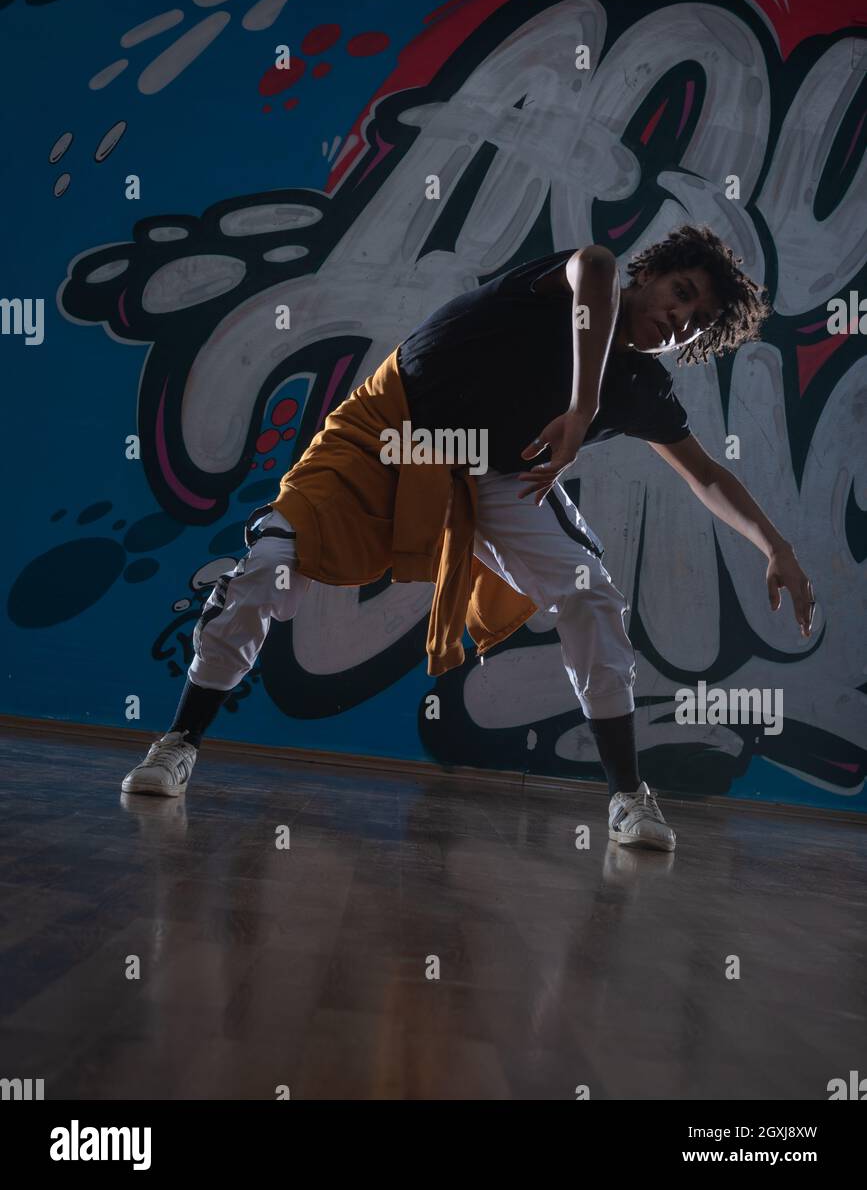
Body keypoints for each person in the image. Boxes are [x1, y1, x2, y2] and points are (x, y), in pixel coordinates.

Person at [122, 224, 816, 852]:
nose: (677, 320)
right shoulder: (565, 288)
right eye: (680, 292)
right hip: (387, 432)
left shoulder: (639, 386)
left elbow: (705, 475)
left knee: (591, 599)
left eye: (694, 326)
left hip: (494, 478)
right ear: (653, 273)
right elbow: (596, 263)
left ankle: (627, 797)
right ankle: (176, 744)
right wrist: (580, 408)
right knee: (267, 573)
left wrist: (774, 546)